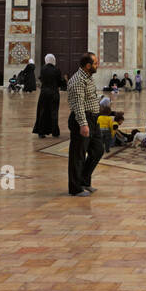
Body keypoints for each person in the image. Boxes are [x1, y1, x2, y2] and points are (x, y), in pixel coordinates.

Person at [67, 52, 104, 196]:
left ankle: (84, 180)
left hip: (93, 119)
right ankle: (75, 188)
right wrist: (83, 124)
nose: (97, 65)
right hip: (82, 119)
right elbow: (78, 105)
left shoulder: (88, 77)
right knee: (78, 155)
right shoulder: (77, 80)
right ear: (88, 66)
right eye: (95, 63)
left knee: (98, 150)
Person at [32, 53, 63, 137]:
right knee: (54, 112)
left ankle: (41, 132)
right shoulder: (57, 70)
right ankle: (55, 132)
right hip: (54, 93)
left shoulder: (43, 69)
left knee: (43, 112)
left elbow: (41, 79)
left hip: (44, 93)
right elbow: (60, 82)